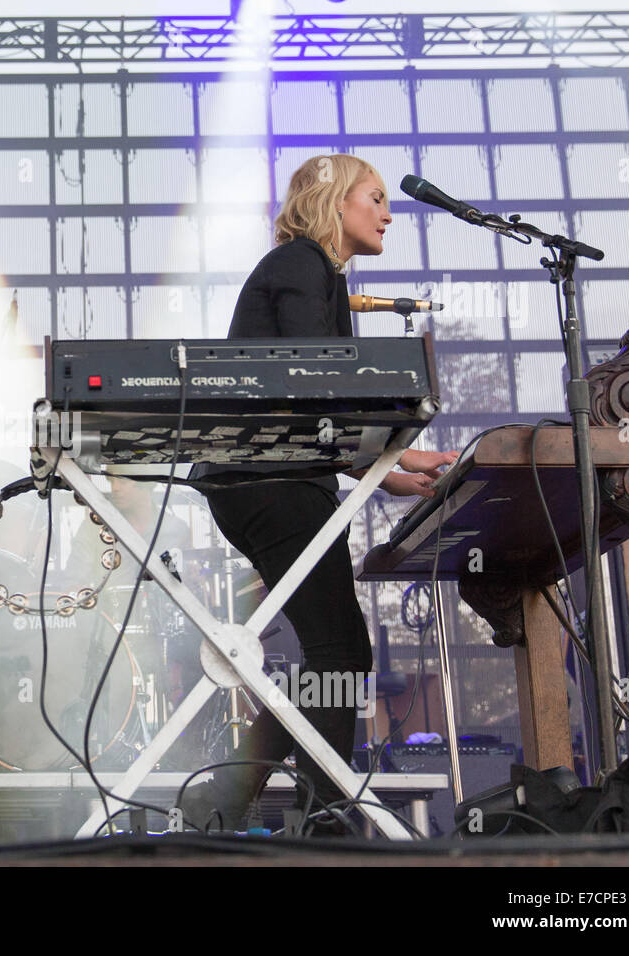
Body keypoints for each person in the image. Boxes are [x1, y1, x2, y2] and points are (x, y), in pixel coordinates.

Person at [185, 155, 458, 832]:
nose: (388, 213)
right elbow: (316, 387)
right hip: (268, 482)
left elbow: (313, 410)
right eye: (375, 198)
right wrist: (394, 450)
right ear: (336, 203)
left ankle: (232, 802)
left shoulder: (311, 273)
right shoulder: (304, 266)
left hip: (263, 481)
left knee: (332, 653)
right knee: (340, 653)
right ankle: (323, 820)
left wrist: (391, 470)